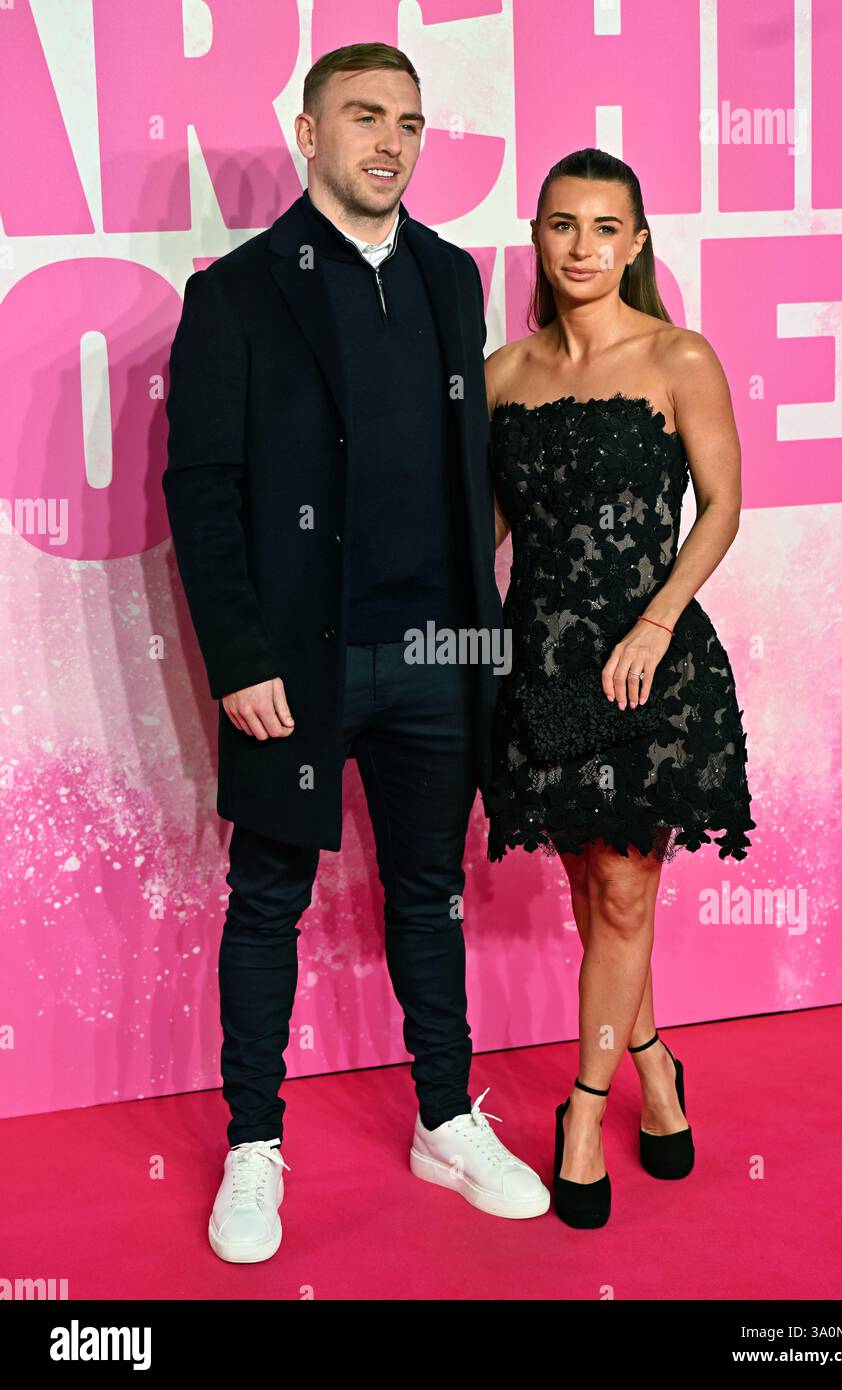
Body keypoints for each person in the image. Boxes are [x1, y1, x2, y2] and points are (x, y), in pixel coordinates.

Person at [163, 42, 549, 1264]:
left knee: (428, 896)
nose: (390, 140)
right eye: (365, 116)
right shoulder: (232, 293)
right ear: (309, 132)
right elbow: (202, 492)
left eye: (410, 122)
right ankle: (254, 1142)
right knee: (267, 899)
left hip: (436, 654)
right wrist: (237, 658)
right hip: (295, 669)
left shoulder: (447, 276)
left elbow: (461, 477)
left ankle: (444, 1117)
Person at [483, 147, 756, 1229]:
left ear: (636, 243)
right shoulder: (504, 375)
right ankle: (655, 1061)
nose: (582, 246)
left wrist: (652, 621)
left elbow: (721, 509)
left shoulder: (678, 355)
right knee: (593, 900)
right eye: (561, 225)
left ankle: (583, 1110)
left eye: (605, 227)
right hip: (543, 670)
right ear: (538, 239)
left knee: (626, 895)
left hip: (649, 666)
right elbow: (485, 537)